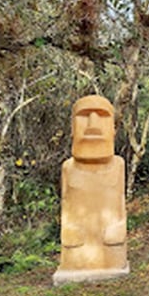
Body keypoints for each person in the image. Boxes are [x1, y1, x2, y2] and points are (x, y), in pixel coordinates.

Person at [53, 94, 129, 285]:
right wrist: (68, 229)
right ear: (72, 128)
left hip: (110, 243)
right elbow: (66, 204)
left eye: (102, 116)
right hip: (77, 245)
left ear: (113, 128)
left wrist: (118, 227)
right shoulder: (68, 168)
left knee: (113, 252)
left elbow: (120, 203)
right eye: (84, 115)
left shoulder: (118, 165)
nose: (93, 124)